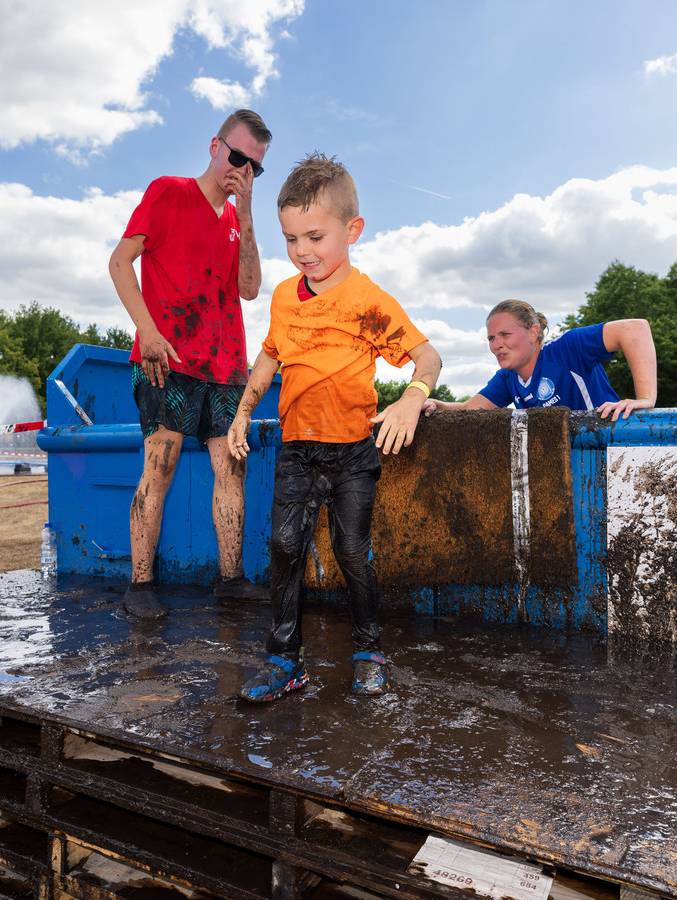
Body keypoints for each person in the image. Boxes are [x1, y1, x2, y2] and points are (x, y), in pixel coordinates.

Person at [227, 152, 442, 702]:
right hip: (297, 449)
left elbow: (427, 359)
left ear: (353, 230)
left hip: (351, 453)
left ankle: (369, 648)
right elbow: (269, 359)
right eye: (291, 239)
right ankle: (285, 661)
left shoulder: (367, 301)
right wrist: (243, 413)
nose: (303, 252)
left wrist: (410, 401)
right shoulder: (282, 298)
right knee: (283, 547)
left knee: (352, 552)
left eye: (316, 237)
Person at [108, 109, 272, 618]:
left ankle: (232, 579)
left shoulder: (235, 221)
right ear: (214, 146)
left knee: (232, 469)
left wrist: (246, 220)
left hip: (225, 368)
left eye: (254, 167)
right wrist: (150, 332)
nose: (241, 170)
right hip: (167, 358)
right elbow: (118, 263)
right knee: (160, 467)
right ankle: (139, 586)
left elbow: (248, 290)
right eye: (237, 156)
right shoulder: (168, 192)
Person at [423, 300, 656, 421]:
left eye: (505, 334)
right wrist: (436, 404)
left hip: (611, 454)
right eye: (491, 338)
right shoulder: (507, 377)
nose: (496, 345)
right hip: (570, 469)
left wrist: (644, 399)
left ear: (533, 333)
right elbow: (467, 410)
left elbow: (634, 329)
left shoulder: (567, 348)